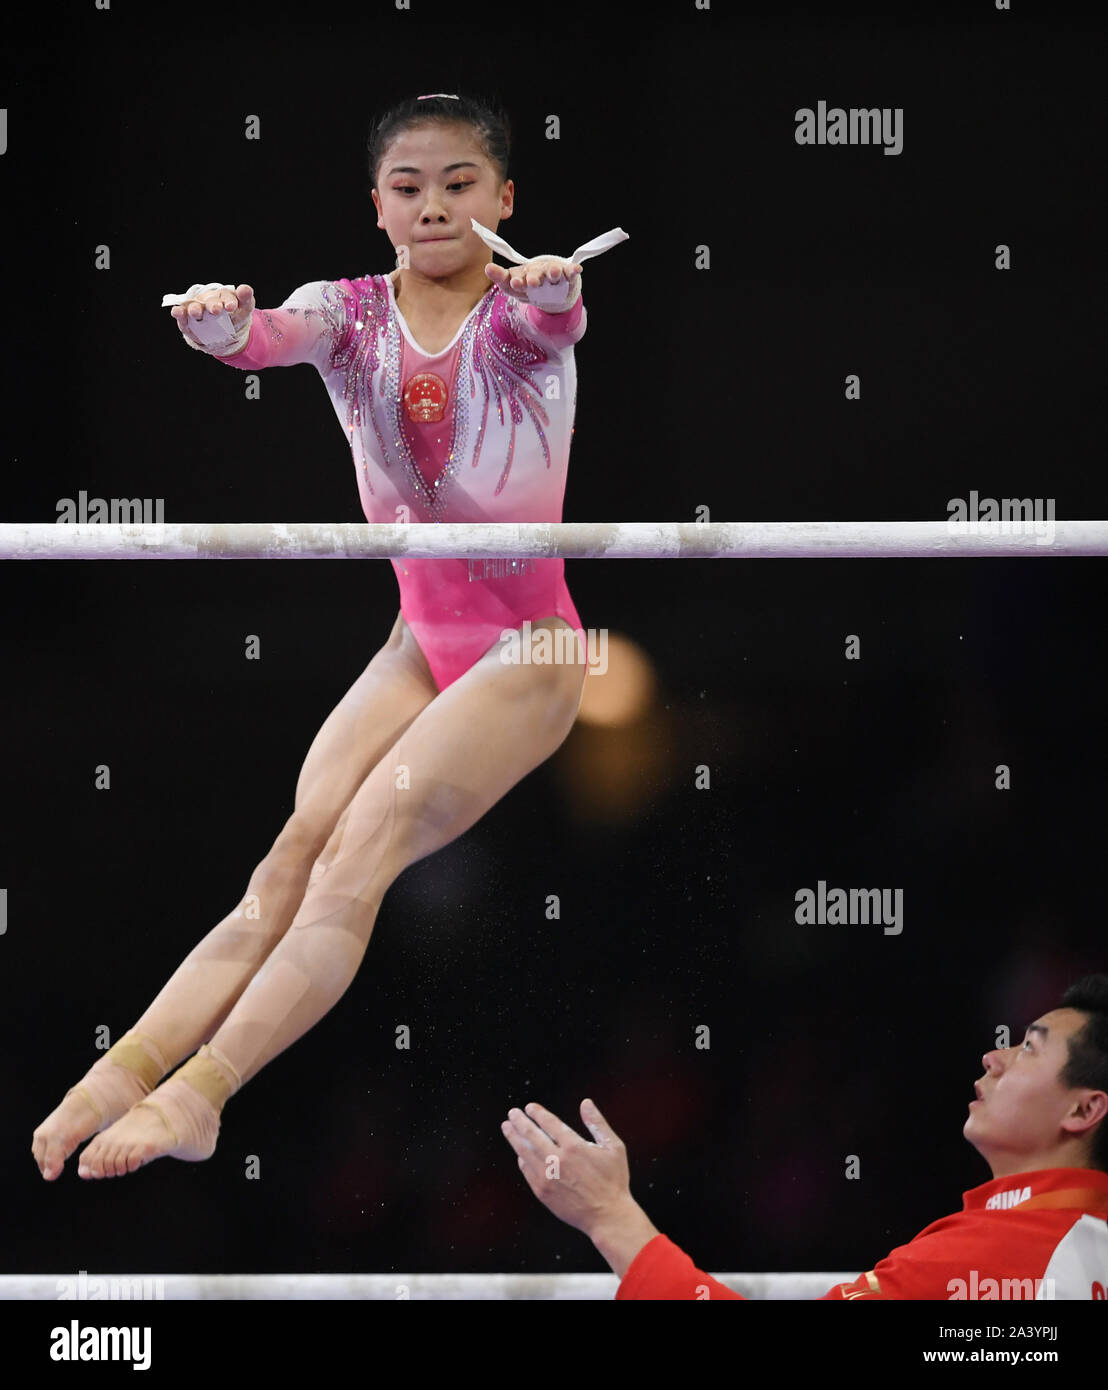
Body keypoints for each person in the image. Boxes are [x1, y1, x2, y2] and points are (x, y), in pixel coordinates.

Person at [31, 91, 626, 1182]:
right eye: (409, 187)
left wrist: (557, 288)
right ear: (378, 206)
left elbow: (557, 322)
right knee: (290, 858)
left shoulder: (523, 315)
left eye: (459, 184)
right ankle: (125, 1071)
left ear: (504, 197)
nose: (434, 205)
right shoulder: (344, 313)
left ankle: (205, 1096)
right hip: (421, 639)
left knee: (359, 853)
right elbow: (262, 338)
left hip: (532, 650)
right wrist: (217, 326)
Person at [502, 975, 1108, 1298]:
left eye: (1028, 1048)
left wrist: (611, 1217)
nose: (993, 1058)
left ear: (1085, 1109)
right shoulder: (1061, 1247)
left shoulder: (992, 1257)